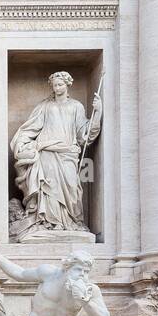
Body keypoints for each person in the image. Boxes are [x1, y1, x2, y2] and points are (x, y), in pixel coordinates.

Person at [10, 70, 101, 233]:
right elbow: (30, 128)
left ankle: (71, 221)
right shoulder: (44, 106)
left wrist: (97, 113)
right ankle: (49, 223)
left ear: (67, 85)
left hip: (68, 153)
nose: (57, 88)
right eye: (54, 85)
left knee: (72, 188)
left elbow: (84, 134)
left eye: (60, 85)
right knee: (48, 188)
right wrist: (22, 143)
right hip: (47, 152)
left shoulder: (76, 106)